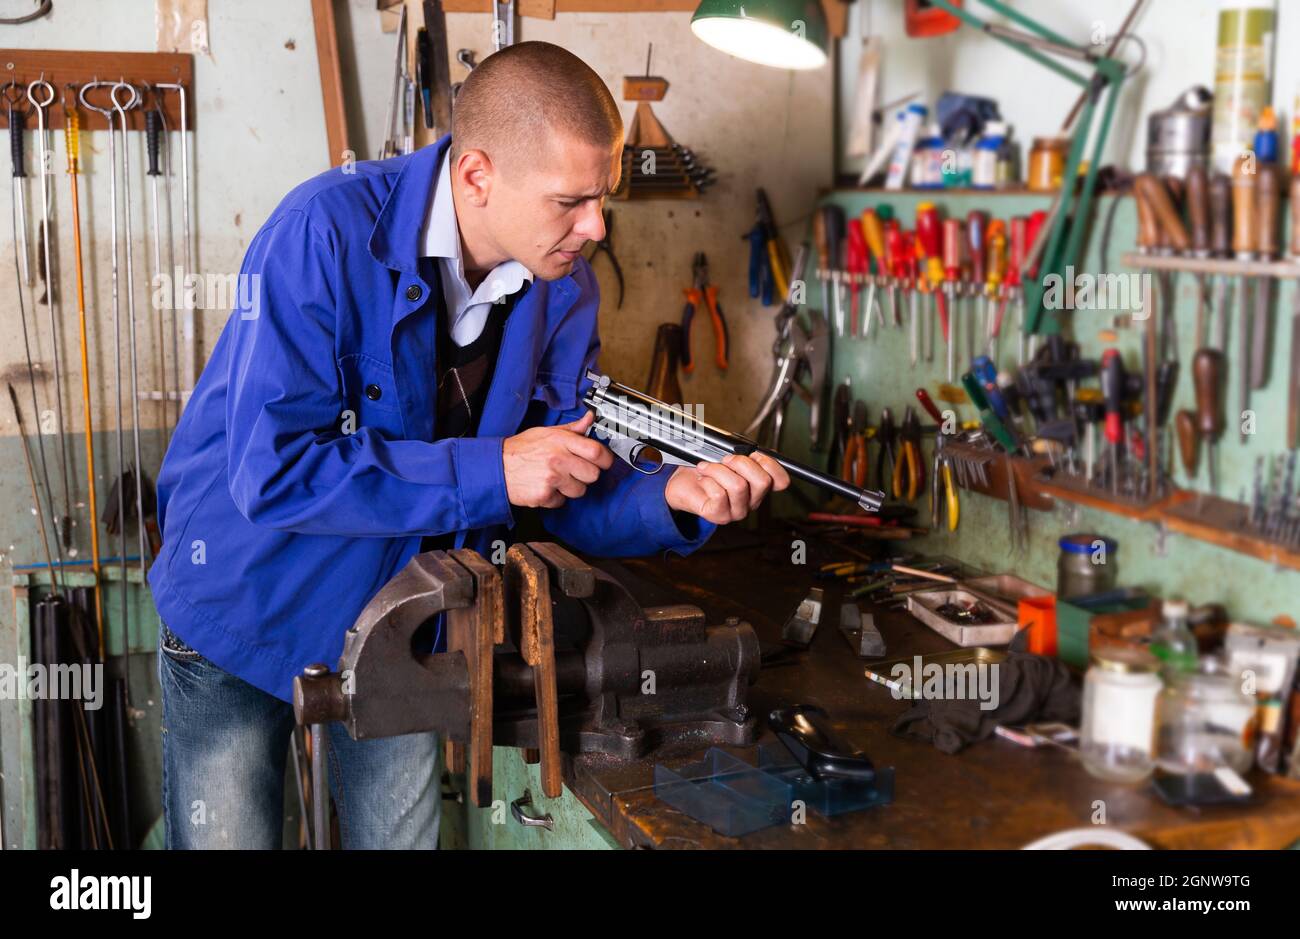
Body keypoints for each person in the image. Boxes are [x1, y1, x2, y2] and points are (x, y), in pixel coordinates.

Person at [149, 41, 789, 849]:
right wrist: (493, 467)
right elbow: (273, 472)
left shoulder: (566, 286)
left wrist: (665, 498)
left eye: (604, 198)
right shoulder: (321, 235)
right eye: (572, 201)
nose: (597, 226)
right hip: (241, 602)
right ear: (478, 175)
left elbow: (549, 481)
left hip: (391, 624)